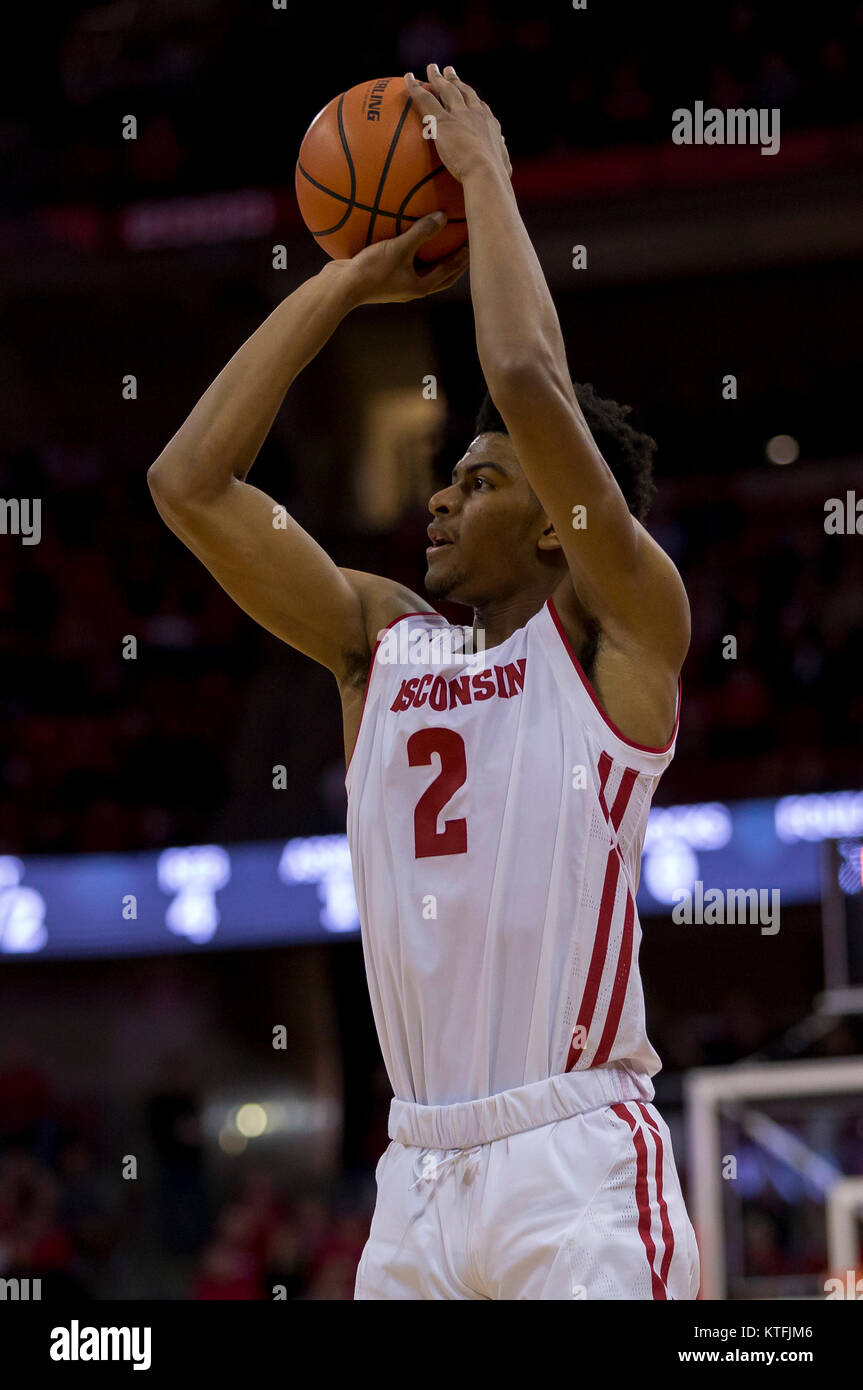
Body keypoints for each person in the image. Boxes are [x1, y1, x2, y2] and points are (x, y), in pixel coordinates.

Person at [149, 62, 698, 1299]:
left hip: (575, 1161)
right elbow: (187, 486)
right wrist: (340, 283)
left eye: (483, 480)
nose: (442, 494)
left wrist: (486, 179)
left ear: (559, 526)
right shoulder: (379, 642)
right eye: (448, 475)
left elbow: (522, 376)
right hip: (415, 1175)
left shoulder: (618, 636)